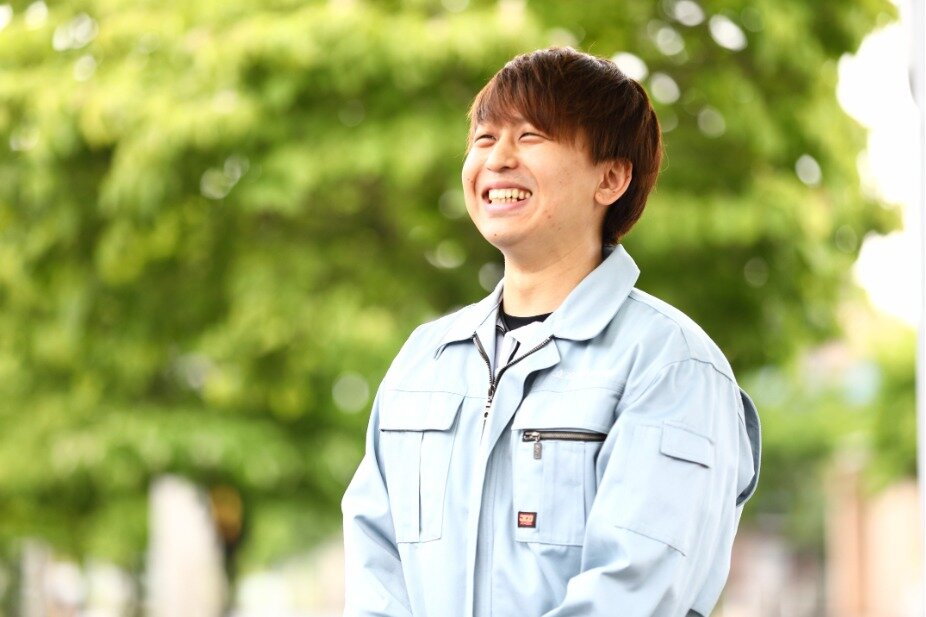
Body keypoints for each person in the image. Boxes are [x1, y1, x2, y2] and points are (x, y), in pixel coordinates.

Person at [341, 47, 761, 617]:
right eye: (484, 138)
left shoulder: (671, 365)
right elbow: (375, 570)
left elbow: (633, 591)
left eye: (531, 136)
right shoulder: (425, 361)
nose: (498, 159)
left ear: (610, 178)